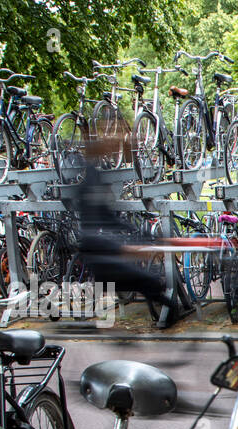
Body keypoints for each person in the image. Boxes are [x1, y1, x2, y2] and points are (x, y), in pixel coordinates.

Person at [73, 131, 189, 328]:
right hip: (100, 249)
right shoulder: (93, 182)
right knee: (147, 281)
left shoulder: (89, 179)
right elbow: (106, 216)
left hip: (94, 248)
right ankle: (169, 309)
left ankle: (167, 309)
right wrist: (138, 233)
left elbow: (104, 215)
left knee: (140, 281)